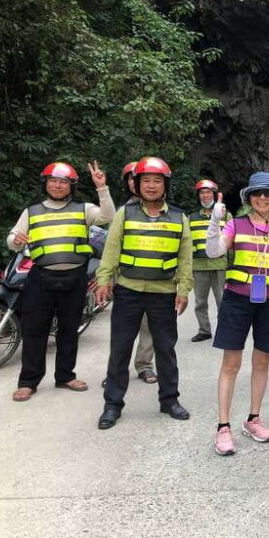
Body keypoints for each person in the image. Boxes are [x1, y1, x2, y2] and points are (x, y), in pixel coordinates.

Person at [94, 157, 193, 429]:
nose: (151, 186)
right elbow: (111, 249)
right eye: (146, 180)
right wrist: (104, 280)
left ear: (165, 186)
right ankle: (112, 404)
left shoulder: (178, 217)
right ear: (136, 185)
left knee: (166, 349)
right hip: (128, 291)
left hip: (163, 294)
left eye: (157, 181)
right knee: (120, 349)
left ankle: (169, 400)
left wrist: (183, 289)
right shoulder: (125, 214)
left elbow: (185, 258)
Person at [205, 172, 269, 455]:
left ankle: (253, 418)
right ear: (249, 197)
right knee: (231, 363)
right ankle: (223, 426)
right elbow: (212, 252)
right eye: (257, 193)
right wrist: (214, 221)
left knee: (261, 363)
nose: (262, 198)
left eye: (268, 194)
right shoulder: (236, 224)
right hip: (237, 300)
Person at [8, 161, 115, 402]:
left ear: (71, 186)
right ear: (46, 184)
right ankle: (28, 382)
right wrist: (16, 240)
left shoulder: (83, 209)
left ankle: (65, 375)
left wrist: (102, 187)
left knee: (69, 328)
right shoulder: (32, 211)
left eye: (63, 182)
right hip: (40, 277)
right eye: (53, 181)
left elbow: (108, 215)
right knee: (35, 329)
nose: (57, 185)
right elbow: (12, 238)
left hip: (75, 277)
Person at [120, 161, 157, 384]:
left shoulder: (161, 210)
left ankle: (144, 365)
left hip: (155, 278)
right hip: (127, 278)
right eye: (132, 179)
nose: (136, 183)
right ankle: (117, 368)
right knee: (124, 327)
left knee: (149, 325)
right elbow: (113, 246)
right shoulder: (123, 212)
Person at [189, 179, 232, 342]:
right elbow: (186, 244)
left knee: (223, 300)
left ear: (214, 194)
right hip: (199, 265)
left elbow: (232, 242)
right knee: (200, 302)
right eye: (202, 192)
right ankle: (204, 330)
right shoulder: (191, 217)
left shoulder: (226, 215)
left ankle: (224, 330)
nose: (205, 195)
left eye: (208, 192)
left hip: (220, 265)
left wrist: (232, 266)